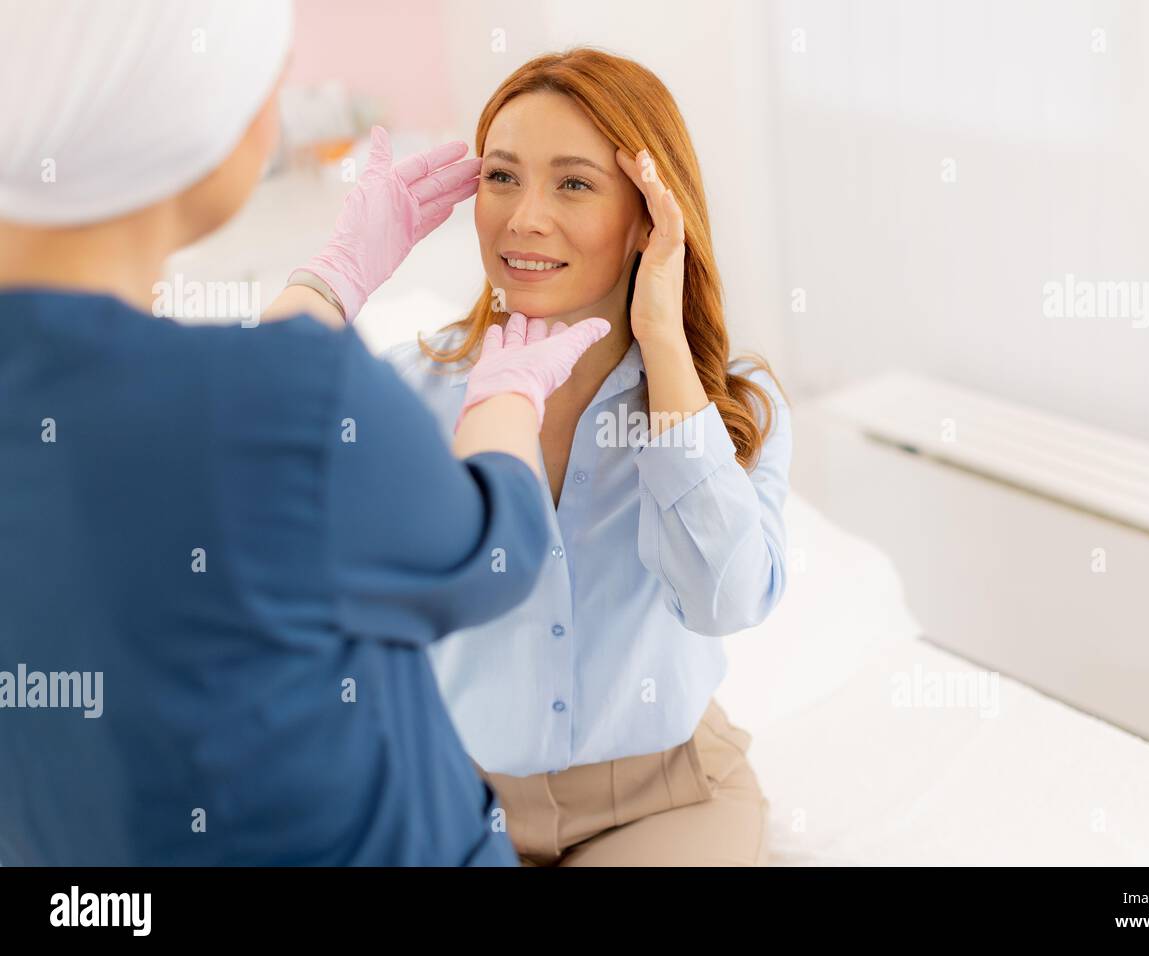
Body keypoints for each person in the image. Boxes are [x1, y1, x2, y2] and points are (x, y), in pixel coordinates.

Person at [0, 0, 607, 865]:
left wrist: (331, 280)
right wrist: (506, 397)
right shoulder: (298, 402)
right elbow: (498, 552)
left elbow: (207, 448)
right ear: (207, 118)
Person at [383, 48, 793, 866]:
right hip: (455, 794)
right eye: (501, 177)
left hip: (664, 799)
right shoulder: (408, 391)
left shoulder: (737, 403)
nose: (524, 217)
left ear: (649, 214)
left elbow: (726, 600)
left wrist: (664, 344)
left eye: (573, 183)